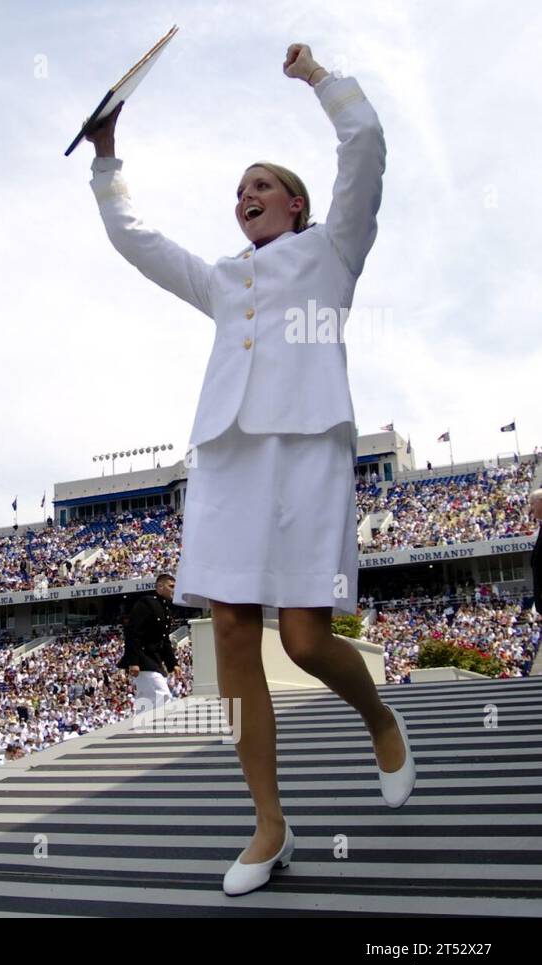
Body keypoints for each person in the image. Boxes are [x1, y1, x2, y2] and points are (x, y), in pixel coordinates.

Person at [85, 42, 412, 897]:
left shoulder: (334, 249)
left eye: (260, 186)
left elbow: (367, 145)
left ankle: (380, 718)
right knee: (232, 633)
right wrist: (108, 158)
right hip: (228, 459)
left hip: (305, 449)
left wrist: (318, 79)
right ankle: (269, 818)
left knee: (304, 640)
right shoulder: (225, 278)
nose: (245, 199)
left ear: (296, 204)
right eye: (238, 193)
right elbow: (137, 241)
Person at [119, 575, 180, 716]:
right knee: (162, 693)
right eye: (171, 586)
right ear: (159, 587)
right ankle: (164, 727)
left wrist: (172, 663)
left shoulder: (165, 609)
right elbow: (132, 632)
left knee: (146, 699)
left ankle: (143, 730)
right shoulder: (146, 603)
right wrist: (133, 661)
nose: (174, 590)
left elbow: (164, 640)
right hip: (142, 657)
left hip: (154, 658)